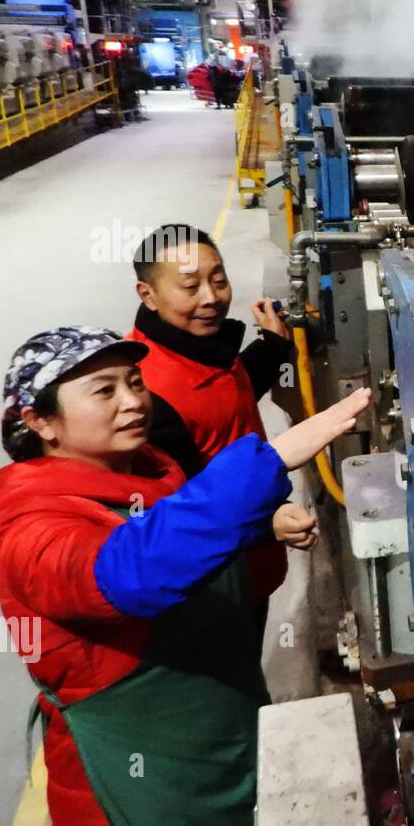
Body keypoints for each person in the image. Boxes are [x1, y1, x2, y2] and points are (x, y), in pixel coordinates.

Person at [0, 326, 371, 826]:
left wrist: (258, 526)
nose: (132, 401)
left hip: (220, 752)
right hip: (143, 791)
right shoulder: (25, 527)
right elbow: (131, 571)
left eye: (135, 382)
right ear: (40, 422)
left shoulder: (146, 473)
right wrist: (268, 463)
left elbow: (170, 534)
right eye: (104, 390)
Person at [129, 225, 310, 648]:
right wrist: (266, 523)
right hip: (212, 585)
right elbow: (180, 507)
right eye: (190, 287)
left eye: (218, 279)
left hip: (251, 570)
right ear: (147, 294)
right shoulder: (145, 395)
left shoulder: (199, 348)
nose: (211, 298)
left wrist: (272, 346)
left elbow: (226, 395)